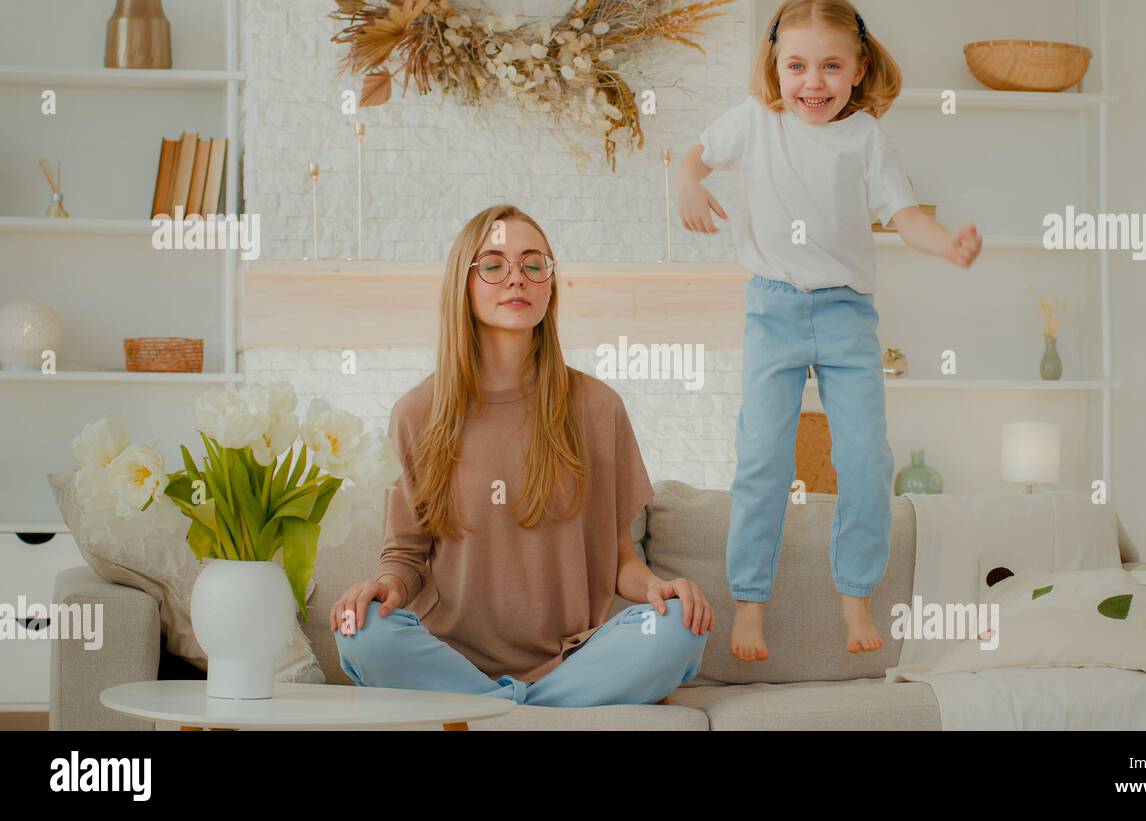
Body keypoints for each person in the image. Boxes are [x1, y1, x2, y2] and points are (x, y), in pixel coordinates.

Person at [676, 0, 982, 662]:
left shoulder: (866, 137)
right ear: (775, 66)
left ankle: (856, 597)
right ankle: (750, 605)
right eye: (797, 66)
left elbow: (903, 215)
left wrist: (946, 243)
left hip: (846, 314)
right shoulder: (755, 122)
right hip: (772, 310)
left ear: (858, 68)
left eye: (830, 66)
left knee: (865, 458)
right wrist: (687, 186)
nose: (812, 82)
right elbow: (690, 158)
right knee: (764, 459)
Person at [331, 204, 713, 707]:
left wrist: (660, 589)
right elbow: (405, 558)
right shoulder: (416, 413)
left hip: (576, 656)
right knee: (360, 633)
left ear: (549, 285)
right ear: (463, 286)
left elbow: (619, 559)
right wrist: (382, 591)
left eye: (534, 265)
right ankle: (539, 709)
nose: (517, 279)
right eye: (493, 265)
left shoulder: (598, 407)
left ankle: (487, 709)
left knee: (679, 631)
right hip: (452, 657)